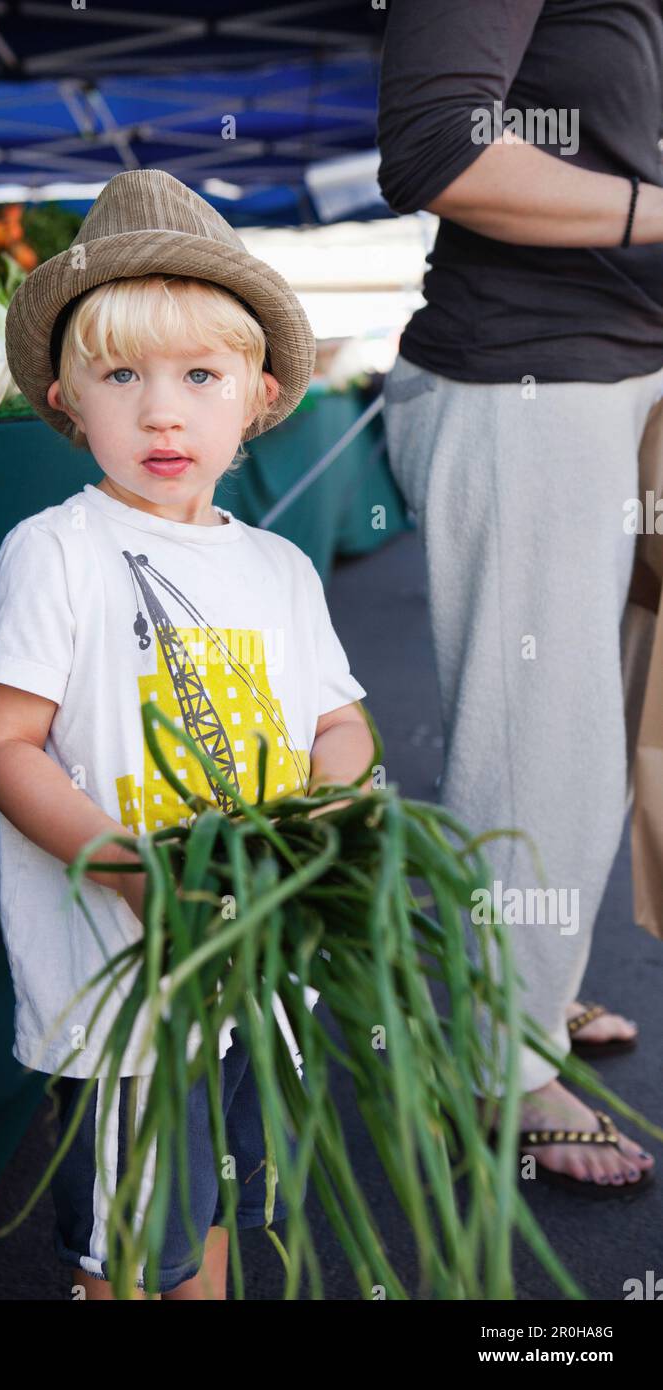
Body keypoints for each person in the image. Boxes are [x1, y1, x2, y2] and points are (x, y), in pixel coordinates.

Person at [0, 169, 373, 1297]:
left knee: (227, 1212)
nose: (161, 410)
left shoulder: (278, 568)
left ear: (259, 394)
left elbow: (340, 724)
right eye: (120, 377)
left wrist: (322, 806)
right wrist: (124, 864)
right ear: (65, 399)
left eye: (200, 376)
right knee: (130, 1250)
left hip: (260, 976)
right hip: (125, 991)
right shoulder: (54, 551)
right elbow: (3, 743)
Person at [377, 0, 663, 1195]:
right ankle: (498, 1067)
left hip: (626, 380)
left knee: (608, 729)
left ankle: (528, 986)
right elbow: (436, 146)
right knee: (541, 745)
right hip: (526, 381)